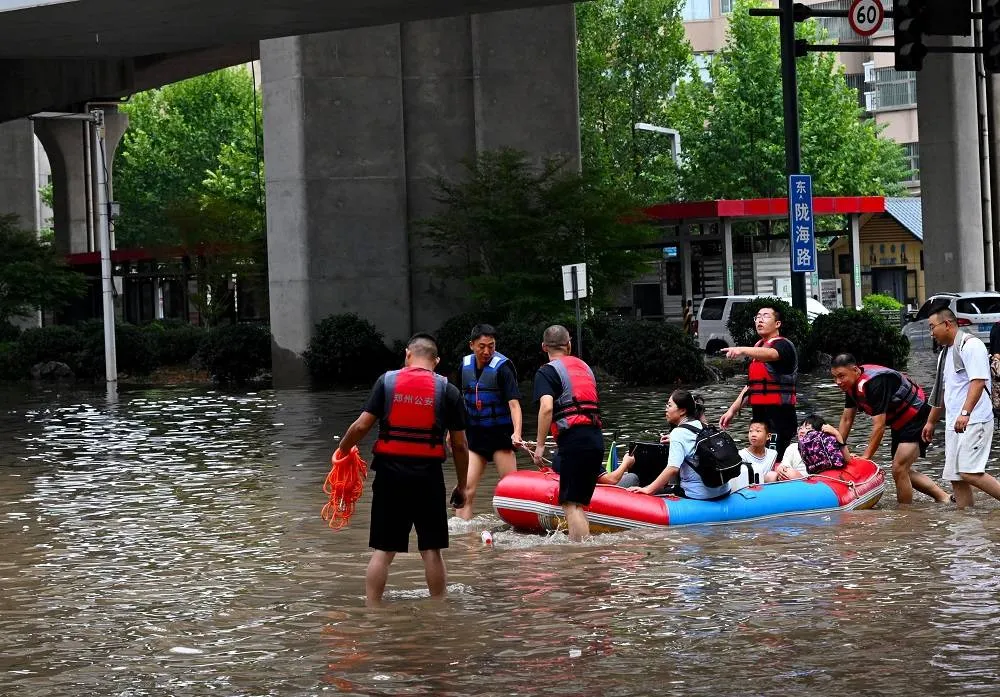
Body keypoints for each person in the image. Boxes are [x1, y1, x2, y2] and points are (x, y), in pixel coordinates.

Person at [334, 333, 470, 606]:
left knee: (383, 550)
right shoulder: (449, 391)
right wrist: (462, 484)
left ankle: (373, 610)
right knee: (431, 549)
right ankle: (439, 610)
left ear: (408, 354)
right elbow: (460, 445)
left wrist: (343, 450)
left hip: (389, 474)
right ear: (437, 360)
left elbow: (361, 426)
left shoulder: (387, 382)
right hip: (428, 476)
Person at [830, 353, 950, 504]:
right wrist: (836, 450)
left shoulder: (875, 383)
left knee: (899, 469)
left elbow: (879, 426)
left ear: (855, 370)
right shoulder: (851, 385)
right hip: (900, 422)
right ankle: (944, 498)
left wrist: (866, 457)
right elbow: (847, 419)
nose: (838, 382)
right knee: (900, 470)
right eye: (834, 378)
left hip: (918, 418)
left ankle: (904, 516)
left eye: (841, 376)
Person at [528, 325, 604, 542]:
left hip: (574, 441)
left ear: (544, 347)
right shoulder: (585, 368)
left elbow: (547, 408)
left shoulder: (547, 371)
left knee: (570, 504)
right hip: (595, 439)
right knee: (579, 504)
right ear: (569, 344)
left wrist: (539, 447)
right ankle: (585, 554)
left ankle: (579, 560)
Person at [921, 305, 1000, 509]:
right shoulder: (945, 354)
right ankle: (966, 527)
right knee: (956, 477)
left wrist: (966, 413)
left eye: (932, 327)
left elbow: (978, 382)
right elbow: (945, 392)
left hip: (975, 420)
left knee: (969, 471)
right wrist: (931, 421)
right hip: (955, 423)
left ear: (947, 324)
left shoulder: (970, 345)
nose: (931, 333)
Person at [455, 324, 522, 520]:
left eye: (491, 346)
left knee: (511, 491)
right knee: (465, 490)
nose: (487, 351)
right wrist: (452, 432)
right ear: (471, 345)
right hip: (475, 436)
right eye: (482, 346)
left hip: (500, 436)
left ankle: (516, 536)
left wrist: (516, 432)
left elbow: (514, 405)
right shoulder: (464, 366)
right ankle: (464, 540)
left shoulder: (503, 368)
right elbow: (458, 402)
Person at [720, 305, 799, 457]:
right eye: (757, 317)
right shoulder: (758, 347)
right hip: (759, 416)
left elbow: (772, 354)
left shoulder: (783, 345)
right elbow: (751, 387)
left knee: (775, 456)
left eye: (766, 316)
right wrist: (732, 410)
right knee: (759, 454)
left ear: (778, 324)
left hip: (780, 416)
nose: (760, 320)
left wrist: (742, 350)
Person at [627, 390, 731, 500]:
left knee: (646, 492)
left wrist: (648, 490)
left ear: (682, 411)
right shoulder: (702, 425)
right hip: (723, 490)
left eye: (669, 405)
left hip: (699, 494)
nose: (666, 408)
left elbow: (672, 468)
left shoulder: (678, 433)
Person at [730, 419, 777, 491]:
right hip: (747, 490)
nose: (753, 434)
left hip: (767, 490)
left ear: (768, 436)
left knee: (773, 475)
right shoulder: (741, 455)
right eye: (750, 431)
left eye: (758, 431)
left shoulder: (773, 454)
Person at [763, 417, 813, 483]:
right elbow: (785, 463)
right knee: (770, 475)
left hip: (809, 479)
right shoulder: (793, 447)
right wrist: (781, 468)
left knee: (791, 473)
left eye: (807, 429)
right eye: (800, 428)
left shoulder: (821, 447)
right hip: (792, 476)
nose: (802, 431)